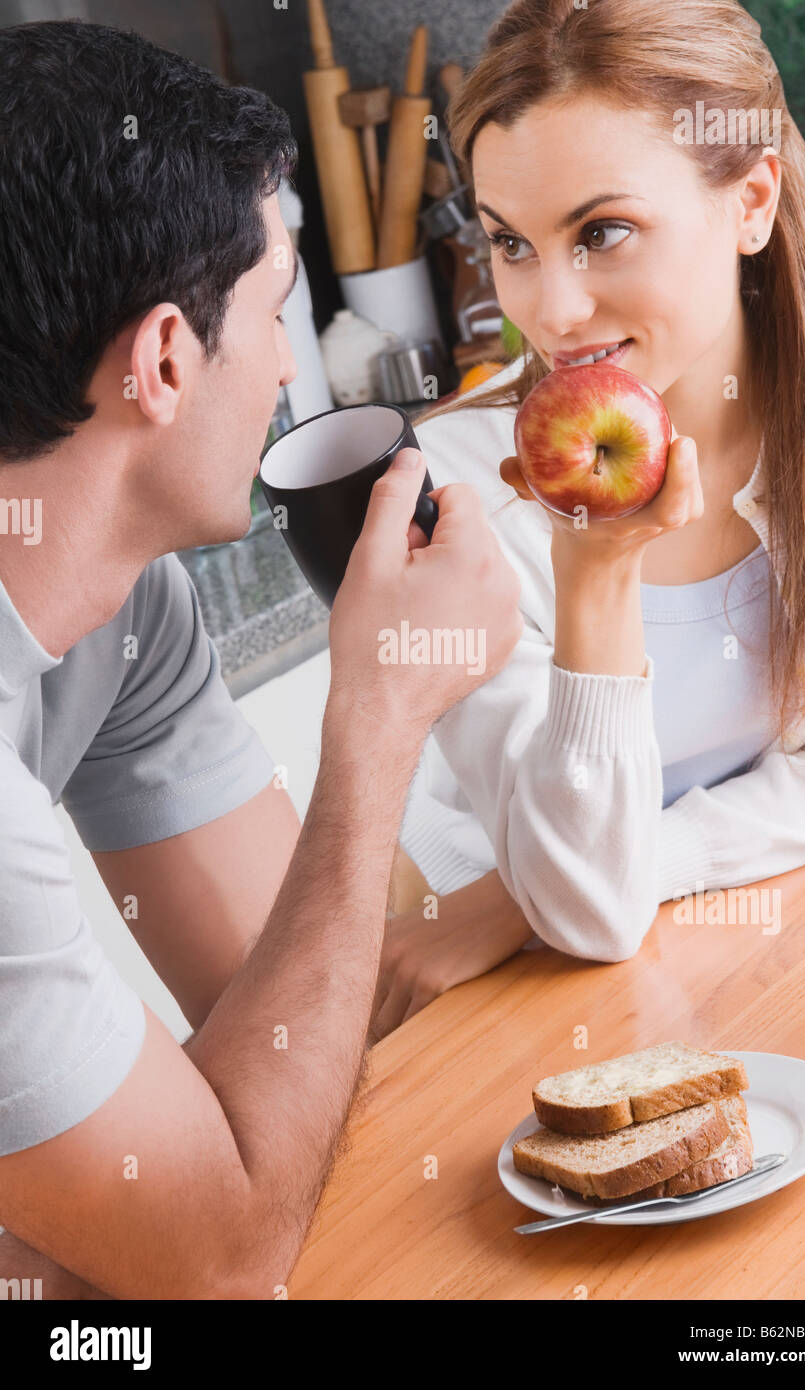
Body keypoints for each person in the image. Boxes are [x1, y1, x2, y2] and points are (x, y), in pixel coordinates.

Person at [0, 20, 523, 1299]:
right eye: (278, 307)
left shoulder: (126, 609)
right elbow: (220, 1260)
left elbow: (291, 1031)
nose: (291, 367)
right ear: (166, 359)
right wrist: (378, 719)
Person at [369, 0, 805, 1040]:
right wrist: (593, 575)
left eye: (601, 233)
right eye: (510, 243)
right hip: (498, 994)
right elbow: (590, 912)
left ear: (750, 202)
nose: (548, 312)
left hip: (679, 932)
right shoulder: (457, 486)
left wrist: (620, 870)